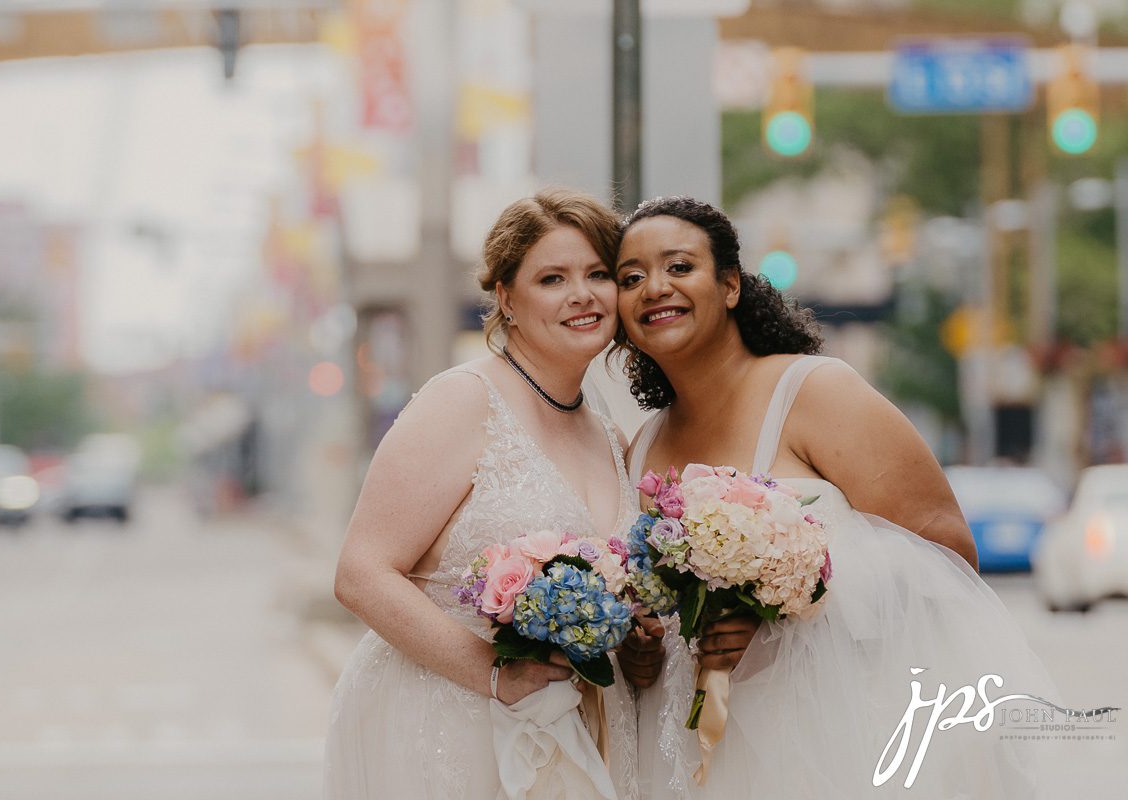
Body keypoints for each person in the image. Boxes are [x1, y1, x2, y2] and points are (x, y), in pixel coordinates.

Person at [614, 196, 1056, 798]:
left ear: (731, 285)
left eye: (679, 267)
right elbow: (658, 618)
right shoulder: (642, 446)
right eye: (631, 278)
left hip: (824, 743)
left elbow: (950, 551)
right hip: (688, 760)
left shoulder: (814, 392)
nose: (654, 288)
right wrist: (640, 650)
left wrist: (782, 609)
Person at [324, 188, 642, 800]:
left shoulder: (608, 434)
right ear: (507, 299)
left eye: (598, 274)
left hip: (575, 730)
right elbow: (360, 573)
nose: (581, 294)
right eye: (552, 278)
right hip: (452, 726)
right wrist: (496, 673)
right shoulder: (463, 400)